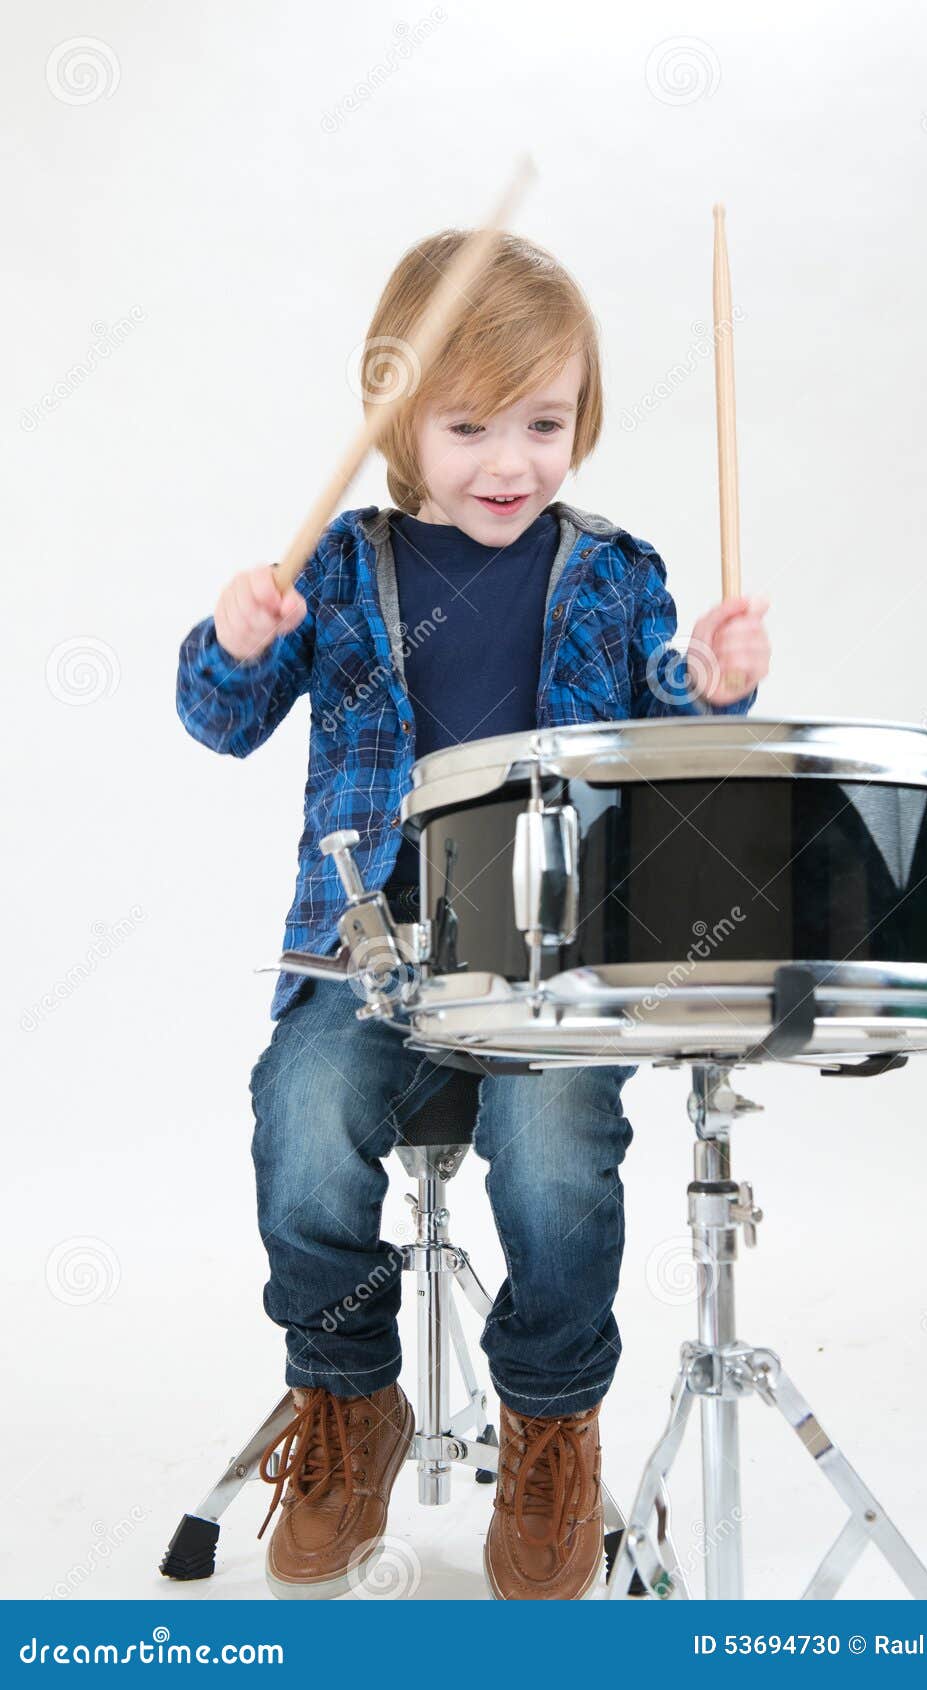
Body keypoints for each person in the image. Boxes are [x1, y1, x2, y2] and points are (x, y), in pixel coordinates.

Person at [175, 229, 771, 1601]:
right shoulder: (340, 564)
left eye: (545, 423)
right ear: (398, 419)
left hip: (551, 960)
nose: (511, 461)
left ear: (583, 419)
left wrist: (717, 683)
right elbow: (221, 720)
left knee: (559, 1148)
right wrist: (235, 640)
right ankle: (349, 1397)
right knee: (303, 1117)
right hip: (368, 950)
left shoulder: (616, 572)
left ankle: (552, 1428)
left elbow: (674, 737)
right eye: (470, 426)